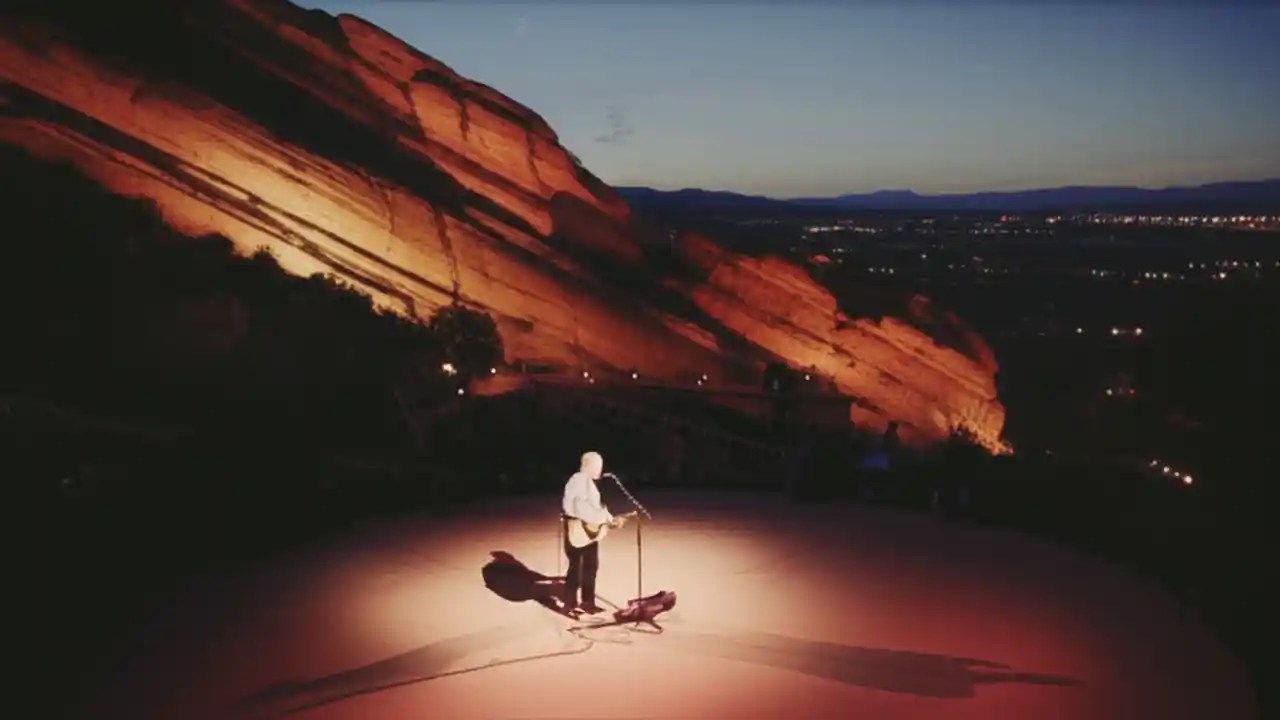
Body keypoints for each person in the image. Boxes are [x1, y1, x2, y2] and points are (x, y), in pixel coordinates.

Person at [561, 451, 612, 615]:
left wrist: (608, 518)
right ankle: (569, 604)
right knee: (576, 567)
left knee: (590, 565)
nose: (600, 469)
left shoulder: (588, 482)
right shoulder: (578, 480)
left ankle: (587, 602)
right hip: (578, 530)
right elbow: (577, 507)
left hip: (589, 531)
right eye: (597, 465)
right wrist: (602, 518)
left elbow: (595, 507)